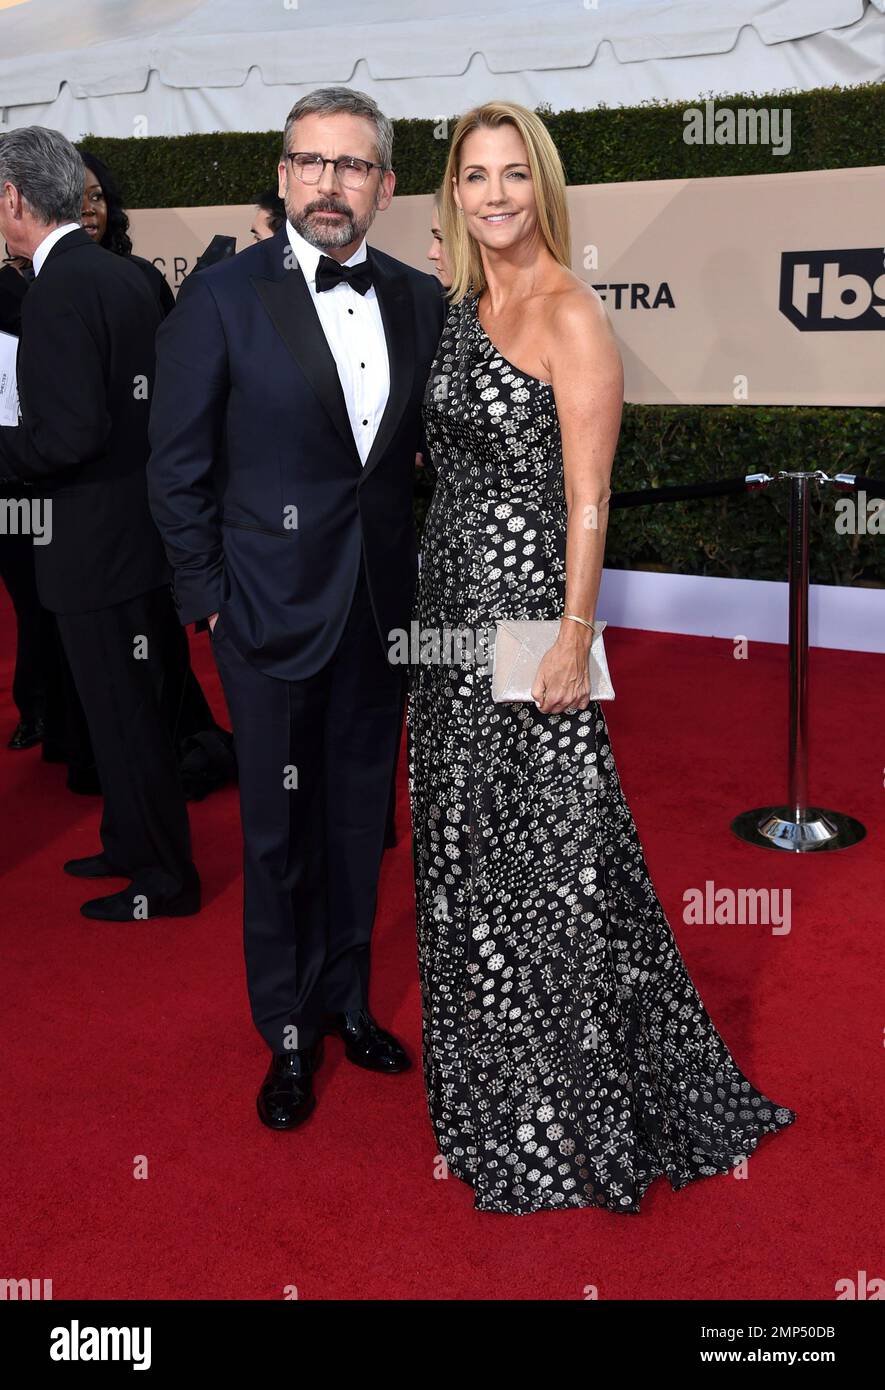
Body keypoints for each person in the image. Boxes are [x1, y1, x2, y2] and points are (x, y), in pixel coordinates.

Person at [407, 101, 796, 1214]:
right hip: (447, 612)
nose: (493, 196)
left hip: (529, 617)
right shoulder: (466, 303)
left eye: (513, 176)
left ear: (545, 188)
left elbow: (589, 497)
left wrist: (575, 635)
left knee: (554, 858)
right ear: (455, 192)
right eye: (475, 176)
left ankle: (564, 1106)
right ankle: (489, 1086)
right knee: (468, 847)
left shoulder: (572, 313)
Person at [147, 87, 445, 1129]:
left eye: (353, 165)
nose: (330, 182)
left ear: (386, 186)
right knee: (277, 835)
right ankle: (285, 1034)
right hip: (263, 620)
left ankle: (348, 1002)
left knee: (359, 823)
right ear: (282, 177)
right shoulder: (223, 298)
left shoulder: (418, 300)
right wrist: (208, 603)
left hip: (378, 616)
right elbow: (175, 468)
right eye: (311, 162)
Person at [0, 125, 200, 922]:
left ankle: (162, 878)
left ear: (14, 199)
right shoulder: (123, 276)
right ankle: (128, 841)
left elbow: (68, 435)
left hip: (90, 543)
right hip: (137, 531)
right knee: (132, 706)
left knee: (121, 716)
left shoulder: (56, 290)